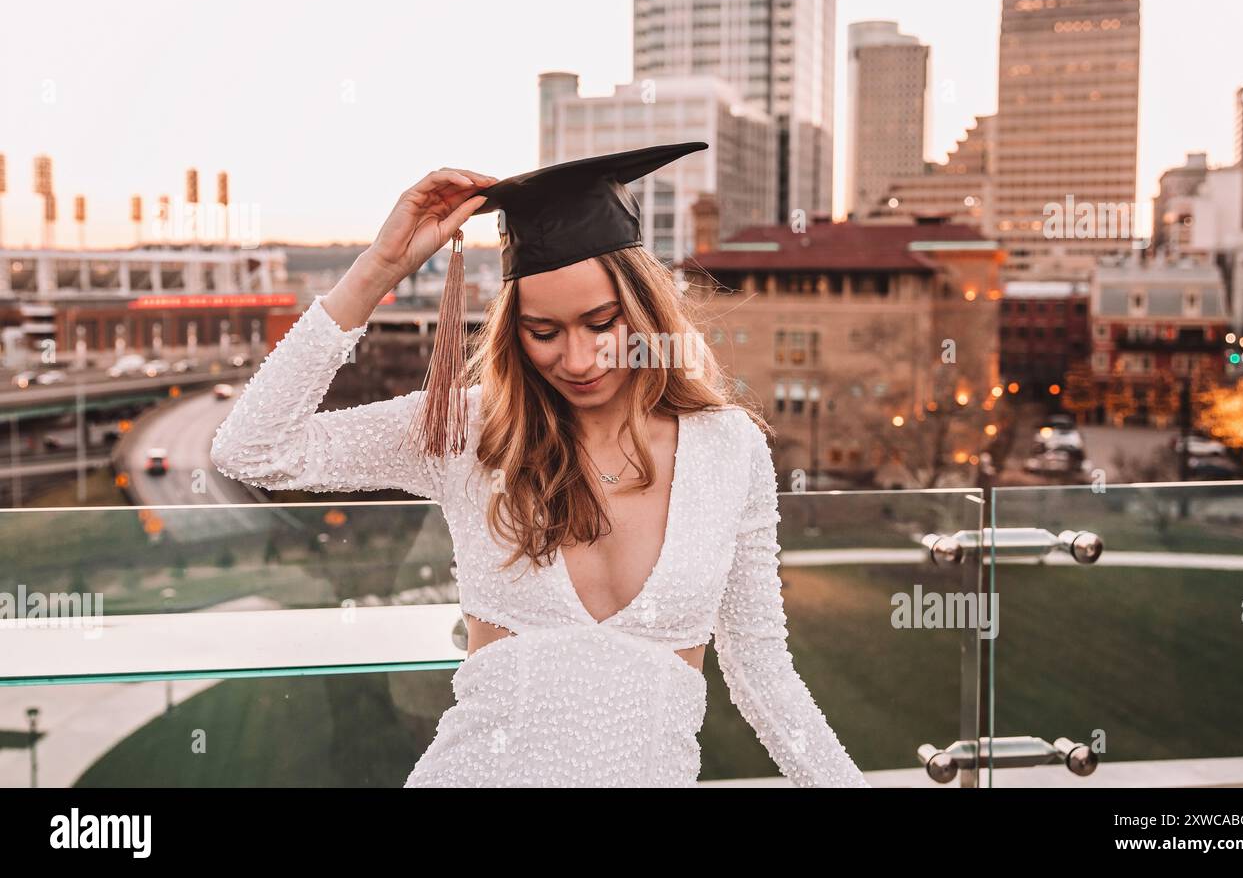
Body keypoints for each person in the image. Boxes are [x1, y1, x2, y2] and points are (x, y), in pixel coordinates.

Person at [209, 142, 869, 788]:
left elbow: (763, 672)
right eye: (545, 331)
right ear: (513, 331)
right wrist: (377, 271)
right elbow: (253, 449)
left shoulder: (730, 448)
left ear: (643, 311)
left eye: (600, 321)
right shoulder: (466, 429)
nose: (577, 360)